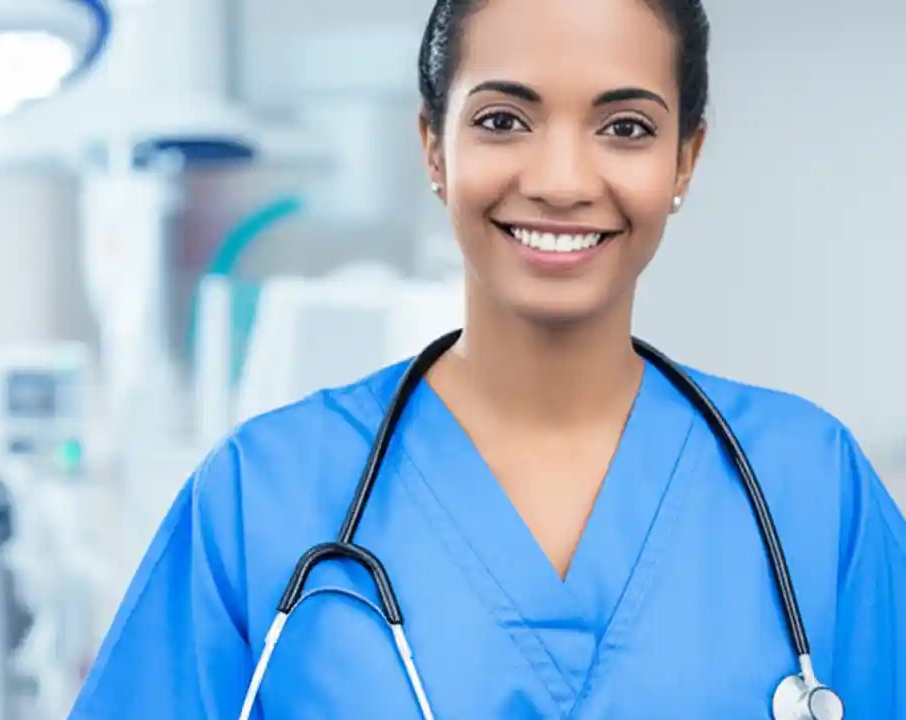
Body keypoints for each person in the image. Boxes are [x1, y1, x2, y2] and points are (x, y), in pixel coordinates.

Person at [68, 0, 906, 717]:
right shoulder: (264, 494)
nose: (562, 180)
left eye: (626, 127)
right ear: (434, 147)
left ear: (683, 158)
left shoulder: (810, 484)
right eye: (504, 120)